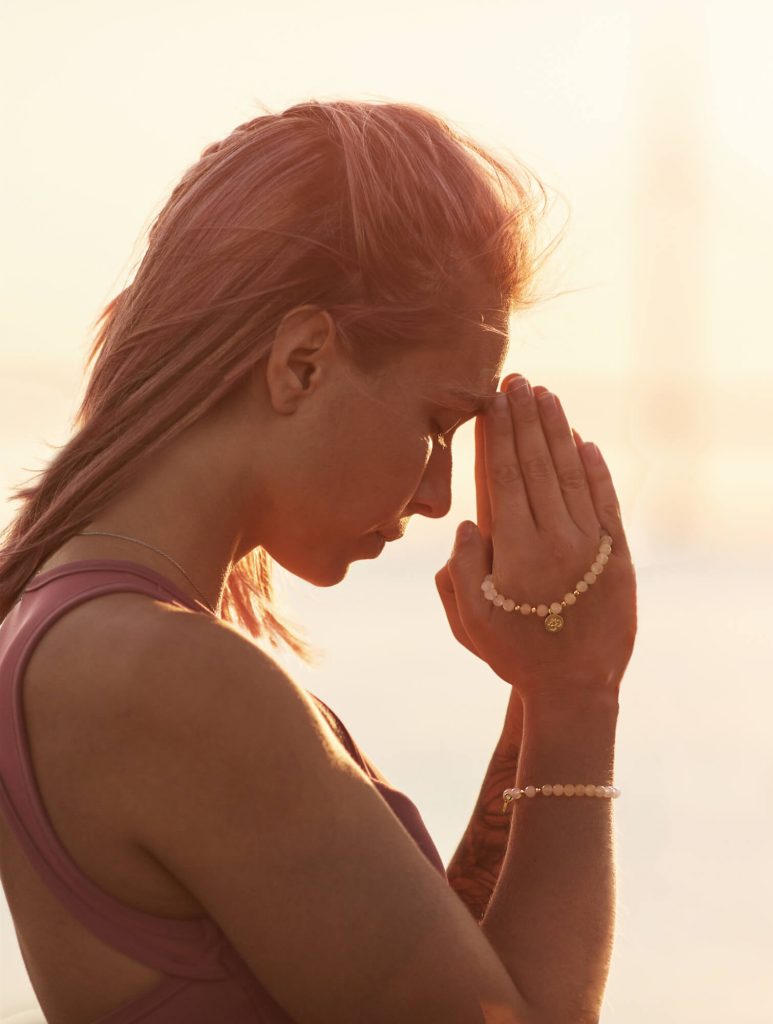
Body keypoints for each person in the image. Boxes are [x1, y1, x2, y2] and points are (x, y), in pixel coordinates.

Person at [0, 99, 638, 1023]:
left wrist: (541, 695)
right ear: (302, 362)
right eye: (434, 424)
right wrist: (583, 692)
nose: (438, 495)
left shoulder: (69, 629)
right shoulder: (170, 681)